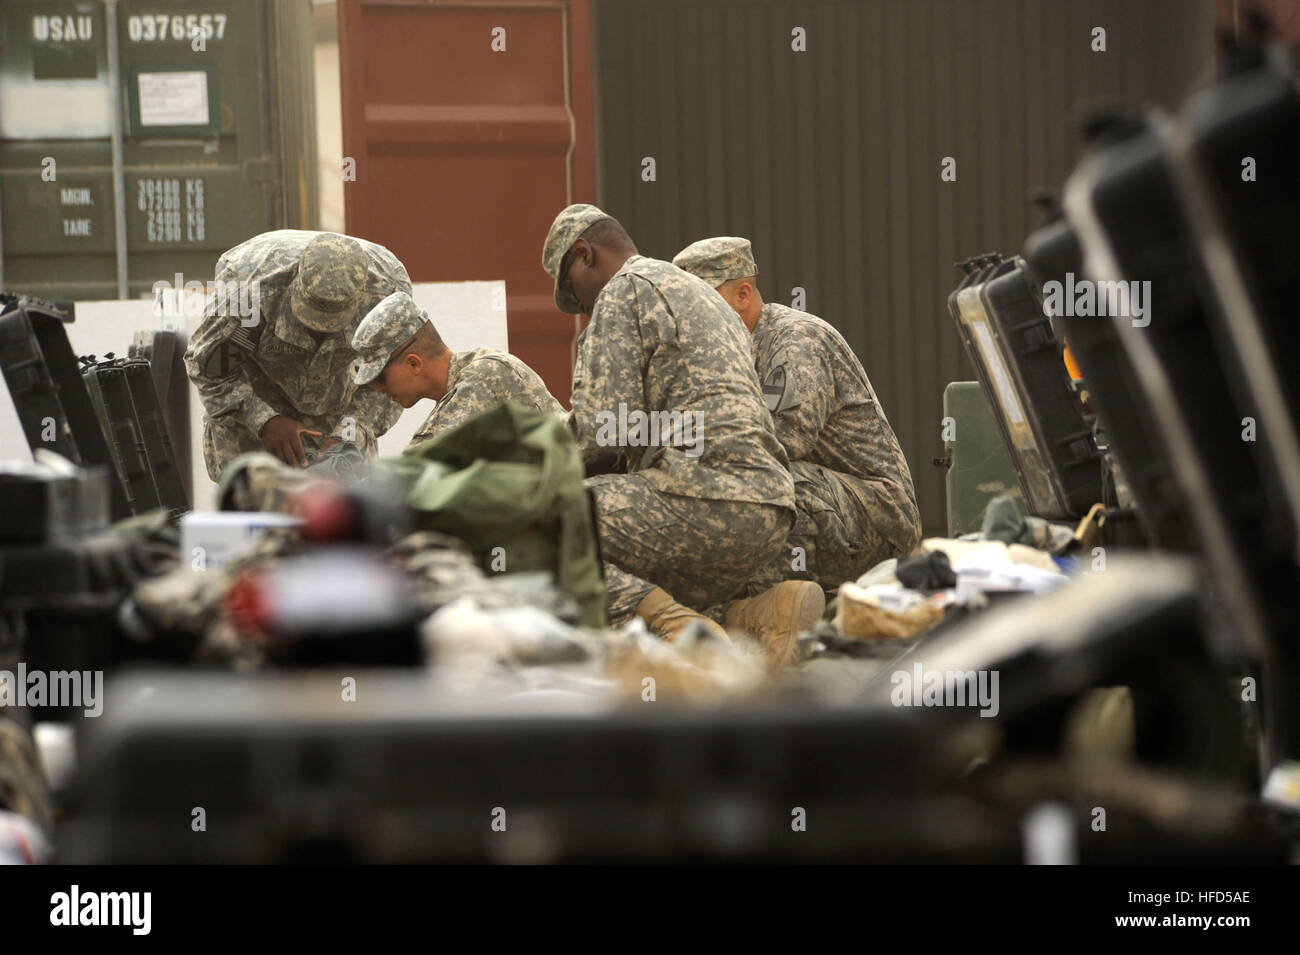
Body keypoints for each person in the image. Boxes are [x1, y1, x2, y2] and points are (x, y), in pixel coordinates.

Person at [542, 204, 823, 666]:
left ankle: (679, 629)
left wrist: (525, 466)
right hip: (769, 508)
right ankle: (754, 615)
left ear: (584, 254)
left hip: (704, 494)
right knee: (628, 545)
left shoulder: (624, 290)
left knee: (545, 526)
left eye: (575, 294)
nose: (583, 311)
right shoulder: (701, 293)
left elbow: (598, 430)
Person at [673, 236, 922, 590]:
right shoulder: (726, 353)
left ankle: (770, 601)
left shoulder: (795, 338)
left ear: (742, 295)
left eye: (699, 304)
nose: (689, 319)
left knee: (760, 484)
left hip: (877, 517)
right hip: (830, 502)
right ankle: (745, 608)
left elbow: (783, 442)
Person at [185, 229, 411, 480]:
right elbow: (209, 370)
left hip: (337, 406)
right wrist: (264, 420)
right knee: (254, 505)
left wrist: (349, 432)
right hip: (253, 401)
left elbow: (392, 377)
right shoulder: (248, 292)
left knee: (341, 506)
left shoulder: (387, 293)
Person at [351, 291, 564, 448]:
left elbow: (416, 470)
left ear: (414, 363)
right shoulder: (459, 391)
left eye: (381, 377)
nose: (378, 389)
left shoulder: (485, 374)